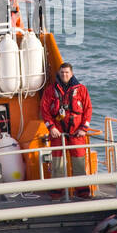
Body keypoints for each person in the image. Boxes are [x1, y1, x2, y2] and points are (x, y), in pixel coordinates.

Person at [39, 62, 92, 199]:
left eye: (67, 72)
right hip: (58, 134)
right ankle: (57, 192)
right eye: (62, 73)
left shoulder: (81, 89)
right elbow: (45, 110)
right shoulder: (51, 90)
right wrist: (51, 127)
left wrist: (84, 128)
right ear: (59, 73)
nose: (64, 75)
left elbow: (88, 109)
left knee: (79, 164)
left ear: (72, 73)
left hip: (77, 134)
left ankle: (82, 192)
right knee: (57, 165)